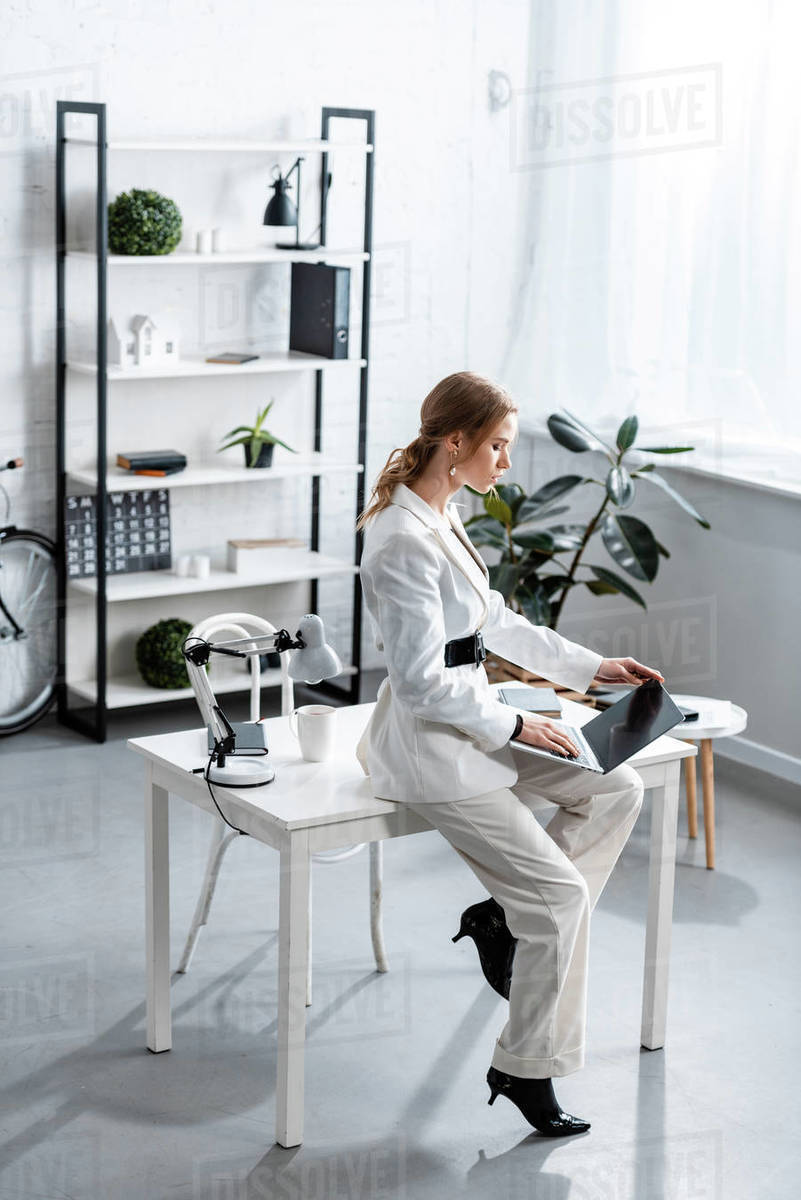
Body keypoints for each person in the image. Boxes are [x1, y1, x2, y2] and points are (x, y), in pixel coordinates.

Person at [355, 371, 665, 1137]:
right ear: (454, 442)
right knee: (558, 901)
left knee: (615, 788)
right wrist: (516, 726)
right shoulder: (397, 541)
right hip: (433, 746)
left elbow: (492, 619)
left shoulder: (441, 513)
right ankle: (525, 1068)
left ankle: (503, 919)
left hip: (478, 718)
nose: (505, 462)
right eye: (497, 445)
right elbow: (422, 682)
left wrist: (590, 668)